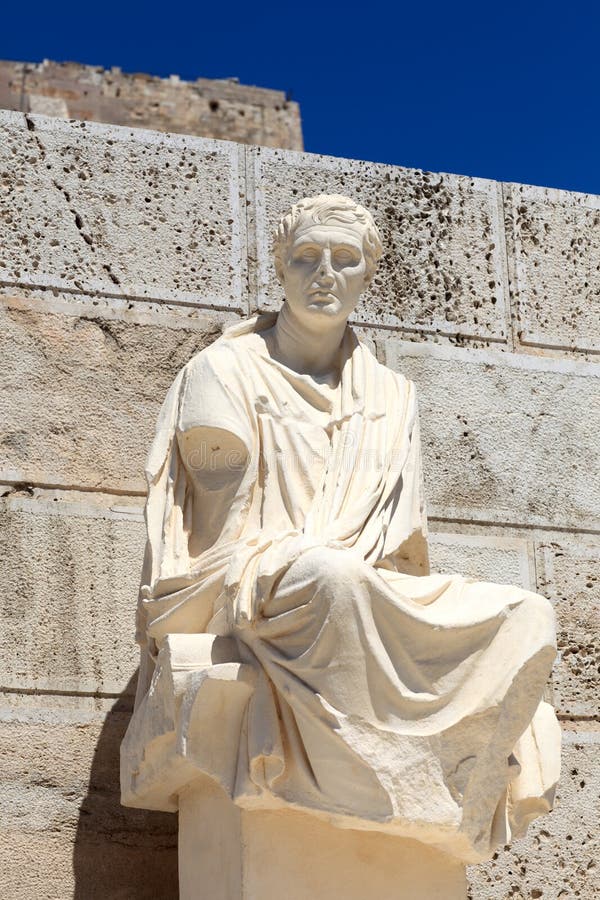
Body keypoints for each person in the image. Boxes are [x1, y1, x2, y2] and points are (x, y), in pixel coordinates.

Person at [132, 194, 560, 863]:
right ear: (282, 267)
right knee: (331, 576)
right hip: (257, 577)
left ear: (367, 273)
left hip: (361, 582)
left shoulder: (391, 396)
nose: (324, 273)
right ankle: (368, 780)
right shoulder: (224, 370)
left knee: (527, 614)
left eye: (344, 260)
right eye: (306, 258)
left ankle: (457, 793)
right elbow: (212, 534)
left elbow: (399, 551)